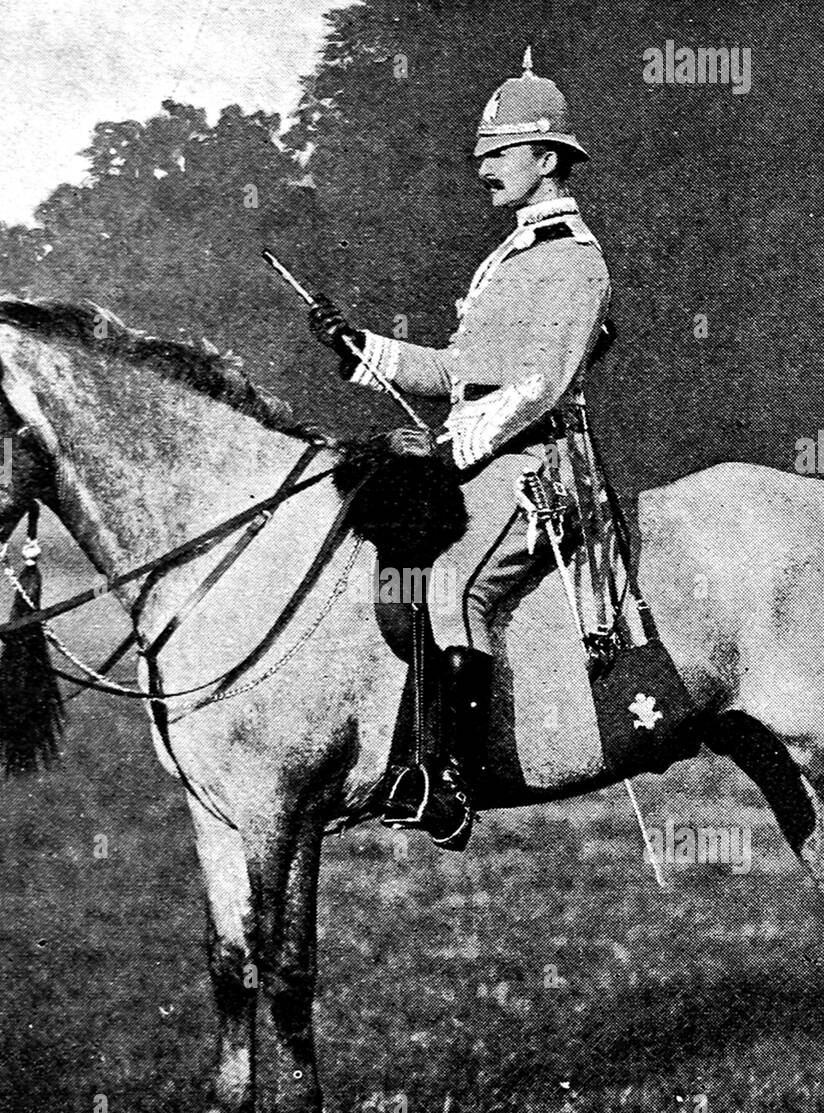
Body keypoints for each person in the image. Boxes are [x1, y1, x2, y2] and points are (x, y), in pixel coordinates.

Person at [310, 49, 612, 850]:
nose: (482, 168)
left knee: (453, 587)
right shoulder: (510, 257)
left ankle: (450, 781)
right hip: (486, 453)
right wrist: (362, 348)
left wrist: (451, 455)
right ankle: (399, 754)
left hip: (536, 463)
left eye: (498, 154)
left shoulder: (574, 262)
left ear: (547, 161)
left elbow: (536, 388)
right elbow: (456, 371)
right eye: (479, 155)